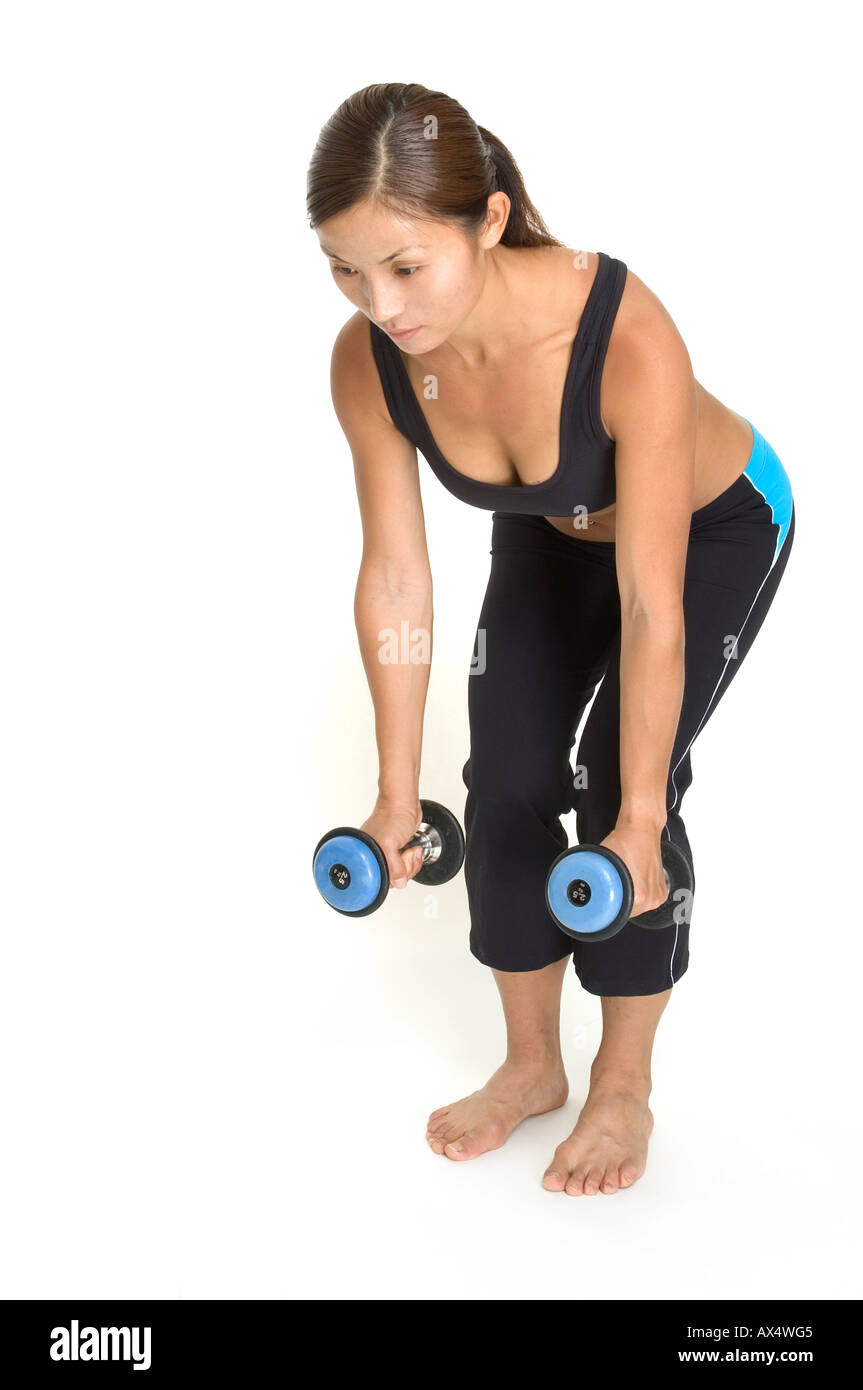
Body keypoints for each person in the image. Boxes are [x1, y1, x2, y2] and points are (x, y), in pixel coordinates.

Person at [307, 83, 795, 1196]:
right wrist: (393, 796)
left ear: (486, 218)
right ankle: (531, 1066)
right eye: (343, 268)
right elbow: (394, 578)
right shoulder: (368, 363)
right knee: (505, 776)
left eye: (403, 265)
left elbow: (651, 600)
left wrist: (631, 821)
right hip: (546, 529)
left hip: (707, 530)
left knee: (618, 775)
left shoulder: (618, 331)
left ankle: (622, 1084)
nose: (376, 303)